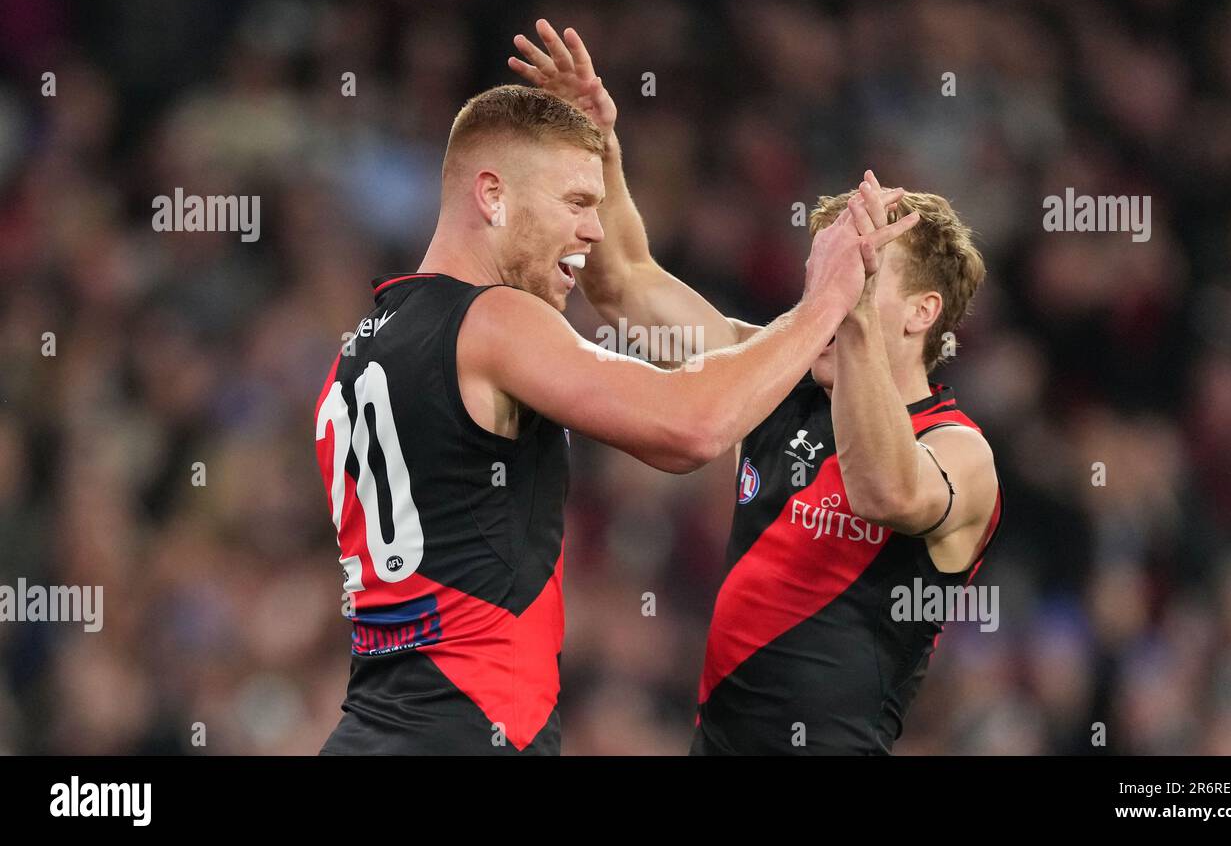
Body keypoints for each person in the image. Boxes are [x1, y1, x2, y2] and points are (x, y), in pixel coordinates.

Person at [313, 76, 917, 754]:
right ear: (492, 195)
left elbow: (624, 281)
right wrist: (822, 304)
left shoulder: (360, 351)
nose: (591, 228)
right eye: (575, 201)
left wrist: (605, 152)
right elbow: (692, 427)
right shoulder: (494, 320)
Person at [510, 20, 1002, 754]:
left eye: (861, 268)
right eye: (826, 264)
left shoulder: (960, 451)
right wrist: (598, 147)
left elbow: (885, 492)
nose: (828, 286)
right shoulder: (776, 374)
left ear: (923, 313)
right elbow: (624, 286)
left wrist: (850, 311)